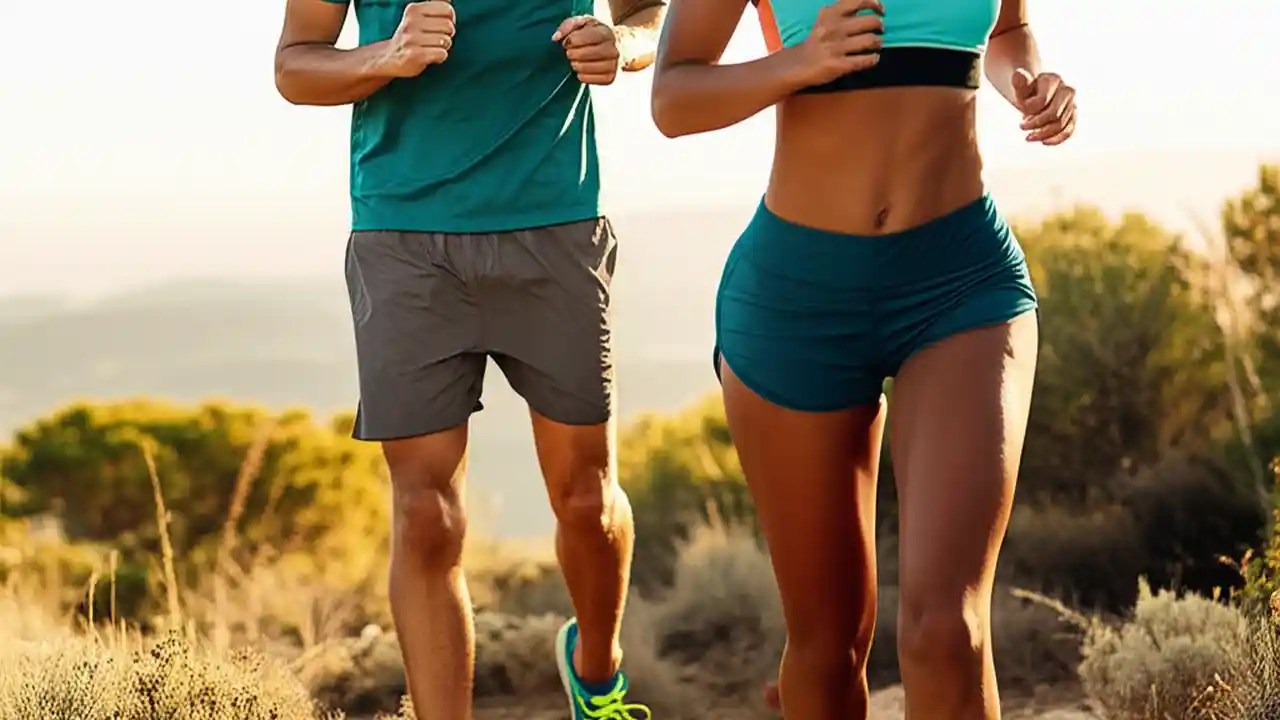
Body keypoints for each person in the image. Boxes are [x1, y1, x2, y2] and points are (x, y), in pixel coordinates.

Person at [651, 0, 1075, 717]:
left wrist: (1029, 80)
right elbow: (673, 97)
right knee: (828, 646)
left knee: (947, 632)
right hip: (796, 300)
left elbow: (1005, 30)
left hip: (960, 285)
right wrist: (797, 64)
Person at [274, 0, 665, 716]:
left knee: (585, 497)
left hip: (555, 225)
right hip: (403, 238)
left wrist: (626, 43)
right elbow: (295, 66)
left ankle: (597, 671)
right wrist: (385, 56)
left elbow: (646, 13)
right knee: (427, 514)